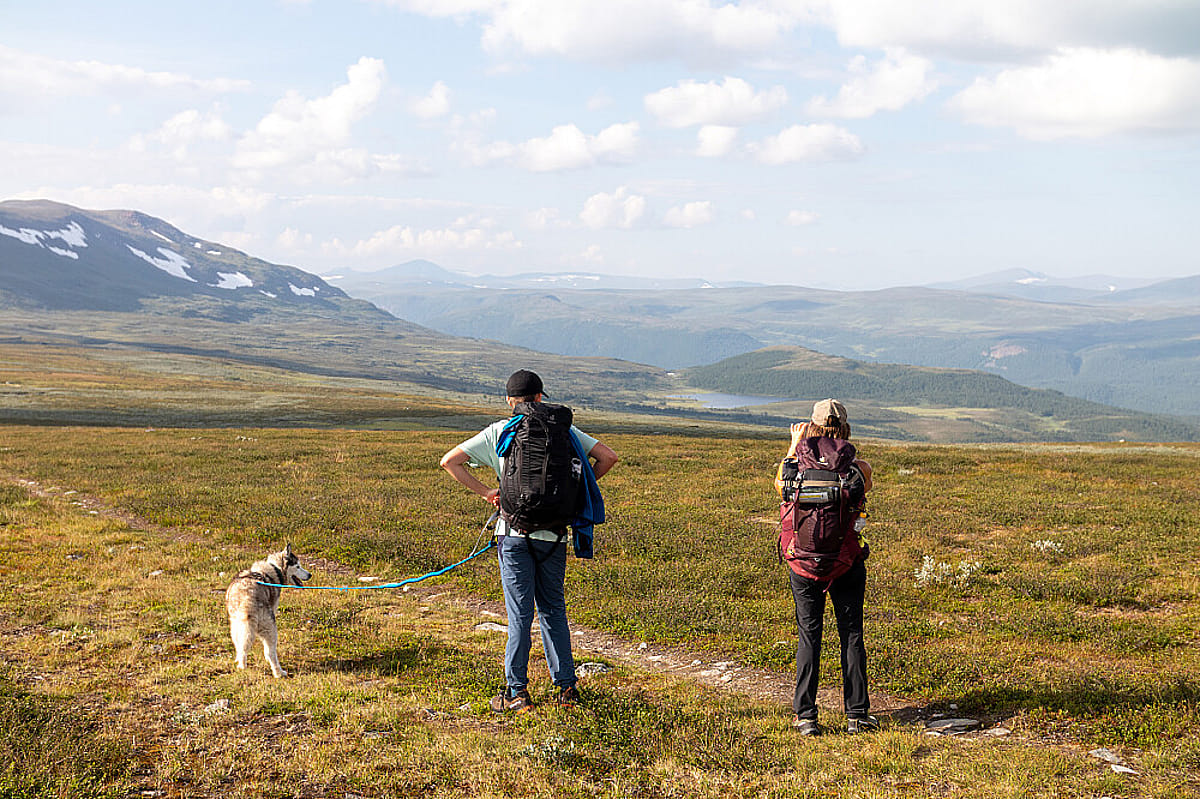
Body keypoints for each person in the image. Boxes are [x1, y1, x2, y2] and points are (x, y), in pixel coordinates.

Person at [440, 369, 617, 712]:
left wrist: (487, 492)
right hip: (554, 535)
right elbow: (608, 457)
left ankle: (517, 694)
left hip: (513, 534)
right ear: (540, 397)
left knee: (520, 615)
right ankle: (566, 690)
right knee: (553, 610)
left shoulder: (499, 432)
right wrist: (579, 491)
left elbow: (450, 462)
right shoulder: (564, 430)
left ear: (510, 400)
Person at [777, 398, 875, 736]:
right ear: (845, 428)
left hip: (802, 562)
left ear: (812, 426)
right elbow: (865, 491)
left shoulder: (793, 467)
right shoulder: (859, 469)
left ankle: (806, 716)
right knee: (851, 634)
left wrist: (794, 445)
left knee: (809, 636)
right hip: (846, 560)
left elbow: (781, 488)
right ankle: (857, 716)